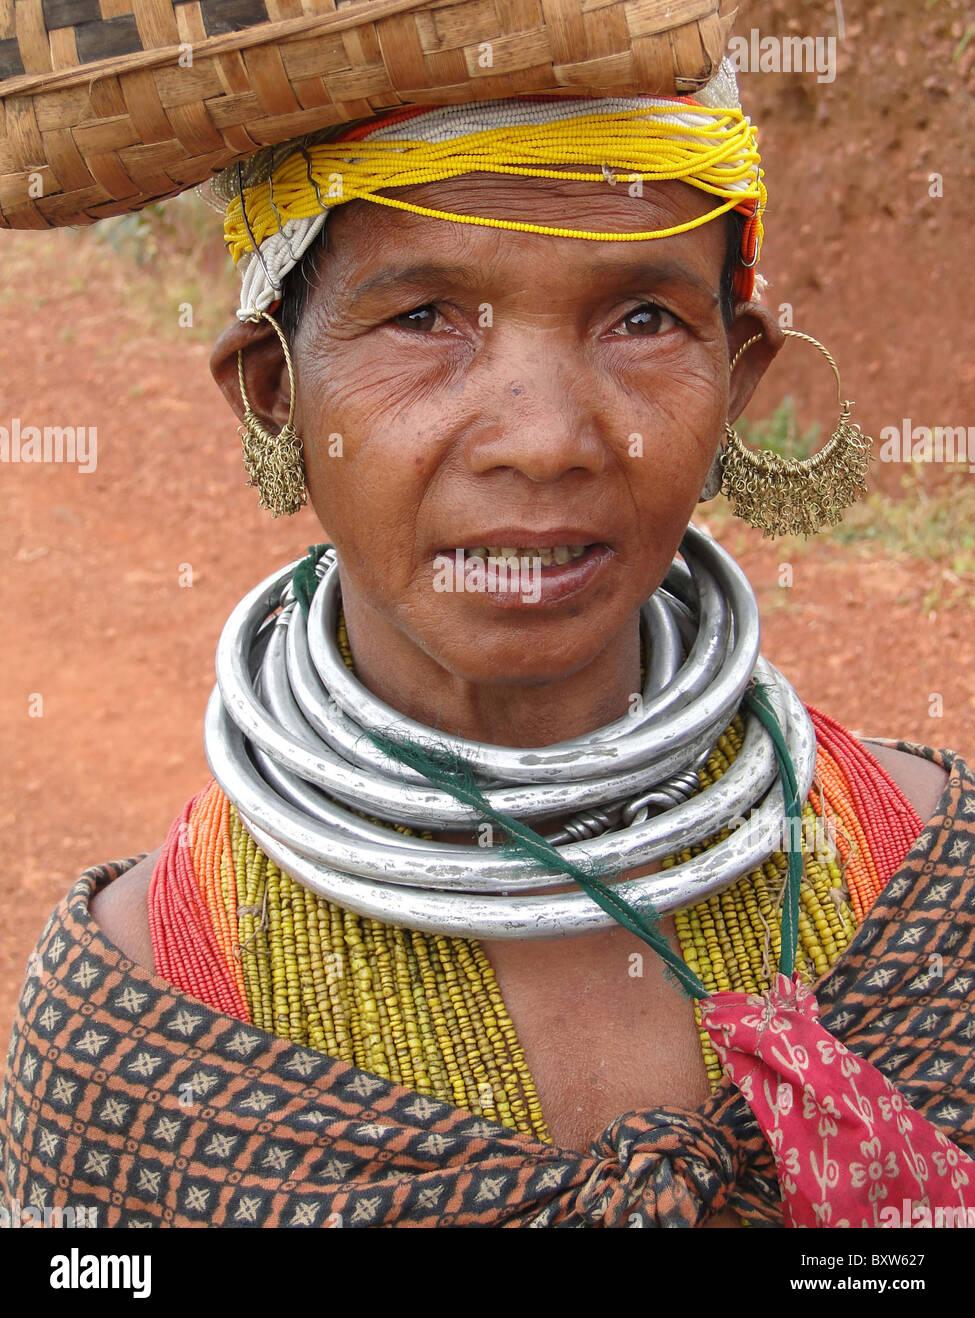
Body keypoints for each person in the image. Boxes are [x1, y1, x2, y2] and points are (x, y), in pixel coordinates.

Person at [2, 65, 972, 1230]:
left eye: (644, 318)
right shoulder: (142, 1024)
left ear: (739, 380)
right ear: (274, 392)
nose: (546, 438)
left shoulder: (928, 891)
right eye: (424, 319)